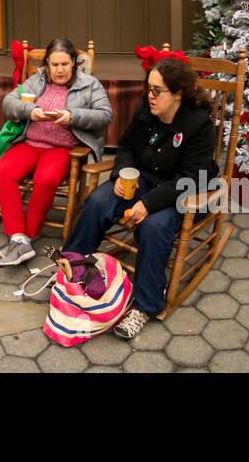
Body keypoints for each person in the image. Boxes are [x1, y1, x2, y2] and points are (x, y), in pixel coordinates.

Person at [64, 56, 215, 341]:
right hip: (143, 178)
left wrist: (147, 204)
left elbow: (193, 178)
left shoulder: (198, 125)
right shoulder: (147, 108)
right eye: (149, 88)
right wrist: (121, 174)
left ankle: (145, 306)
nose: (150, 95)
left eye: (158, 90)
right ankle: (72, 265)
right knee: (98, 201)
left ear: (178, 93)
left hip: (184, 193)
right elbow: (126, 145)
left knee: (153, 227)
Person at [0, 37, 112, 267]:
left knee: (45, 179)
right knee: (4, 171)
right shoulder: (37, 80)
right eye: (54, 64)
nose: (59, 70)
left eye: (65, 64)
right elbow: (8, 102)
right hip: (30, 143)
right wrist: (30, 110)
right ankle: (18, 236)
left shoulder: (90, 84)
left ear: (74, 63)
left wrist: (73, 116)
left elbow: (105, 115)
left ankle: (26, 236)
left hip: (63, 148)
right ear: (47, 63)